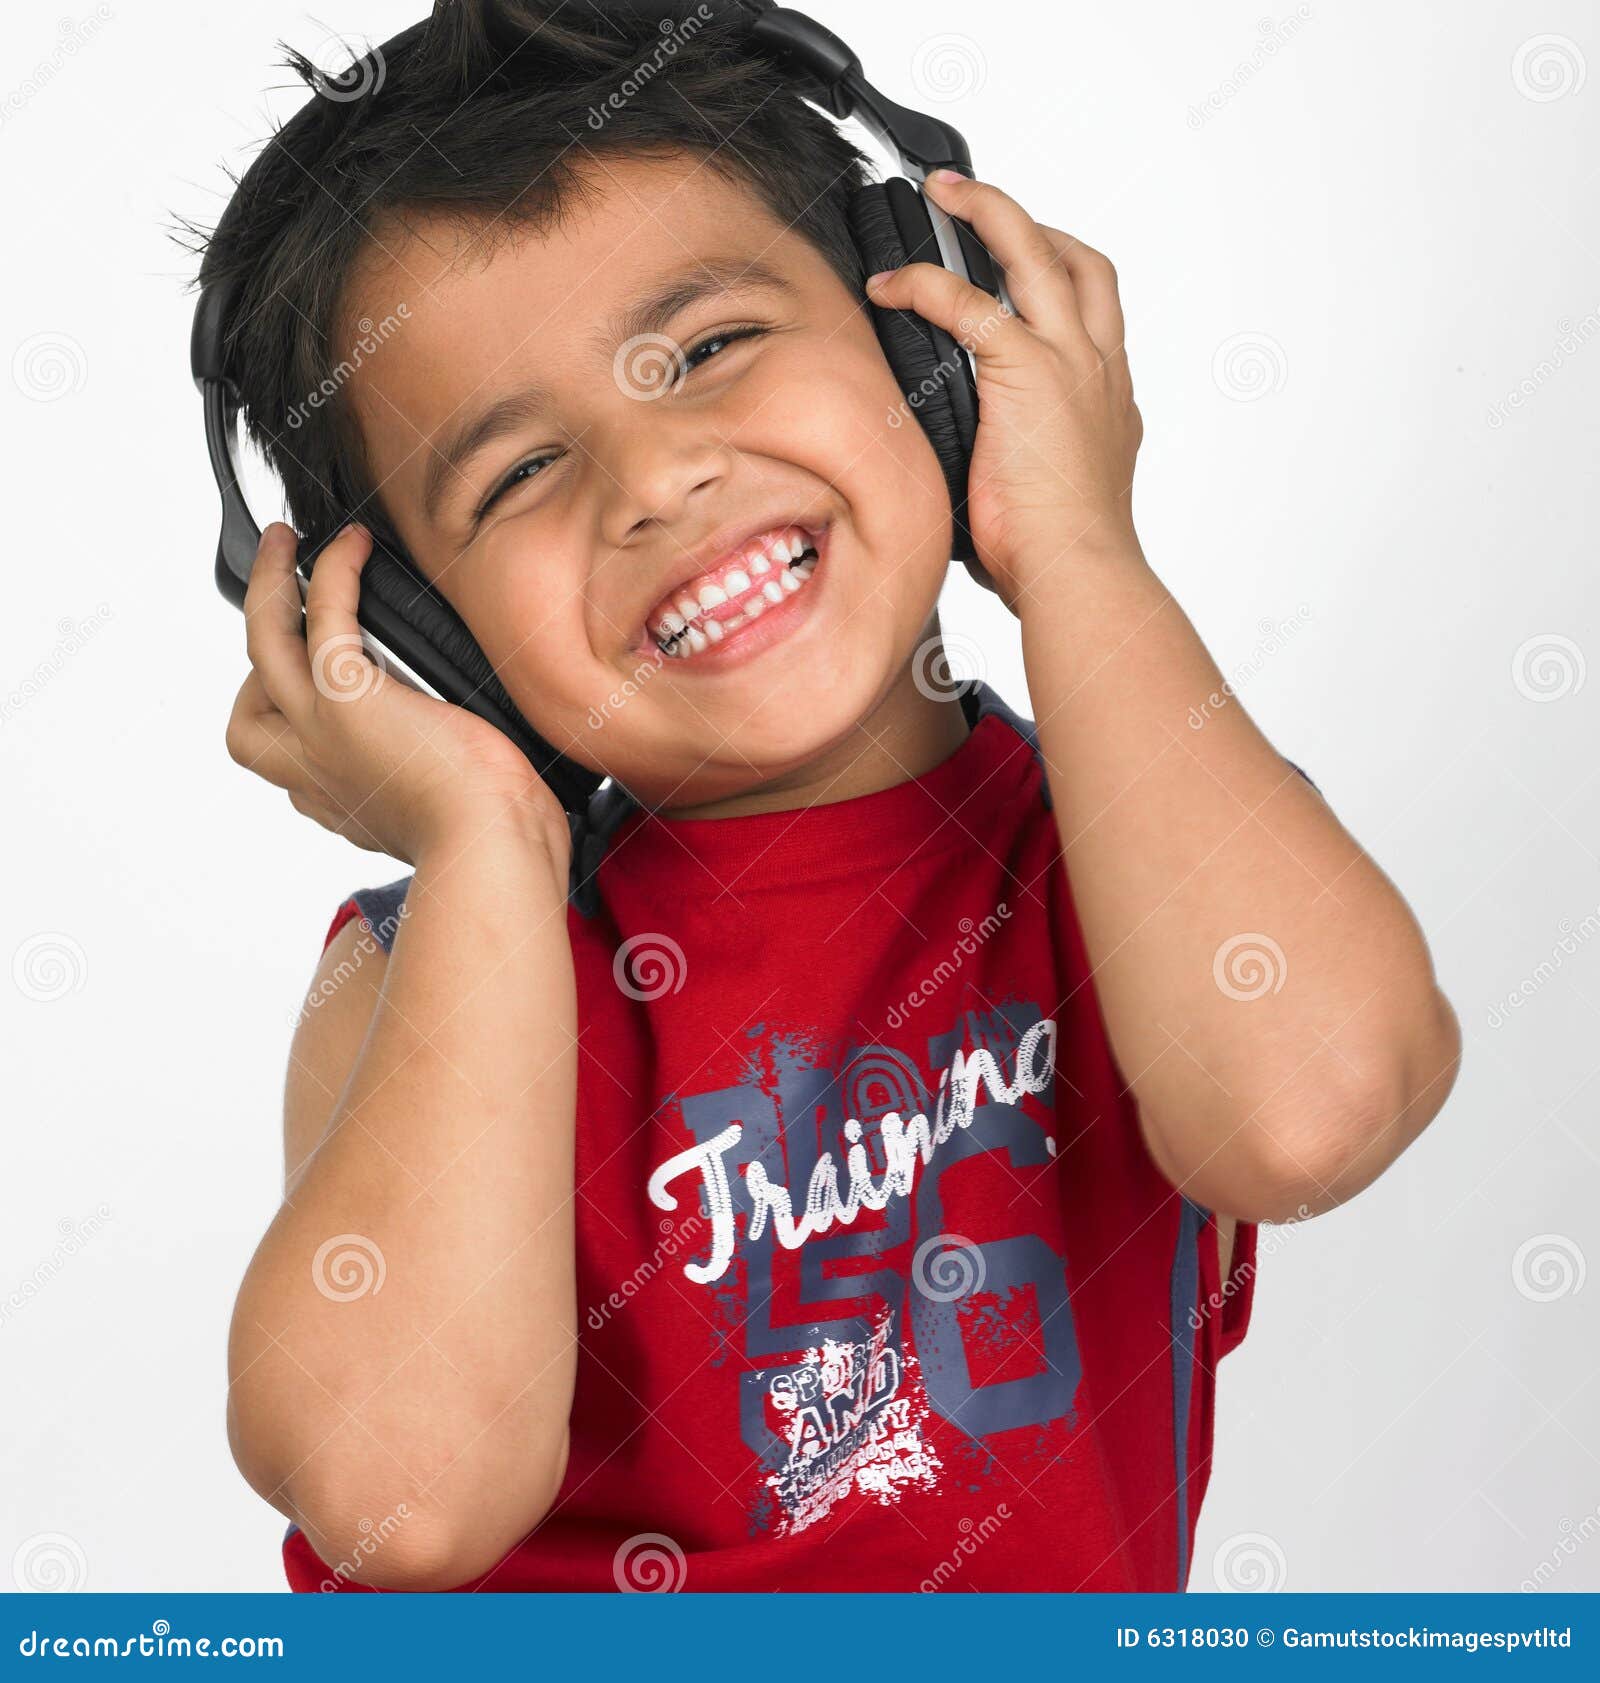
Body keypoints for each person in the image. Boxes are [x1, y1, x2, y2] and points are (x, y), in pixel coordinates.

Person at [200, 0, 1460, 1592]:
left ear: (930, 347)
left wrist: (1076, 545)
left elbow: (1311, 1112)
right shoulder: (411, 967)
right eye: (519, 472)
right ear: (411, 635)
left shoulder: (1144, 848)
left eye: (714, 347)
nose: (657, 479)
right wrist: (481, 845)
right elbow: (400, 1499)